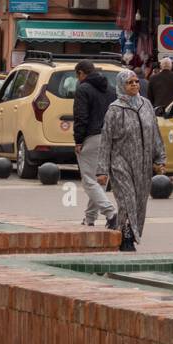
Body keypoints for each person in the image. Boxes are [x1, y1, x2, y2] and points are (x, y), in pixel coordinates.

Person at [96, 69, 164, 251]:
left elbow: (155, 133)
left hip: (143, 164)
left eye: (136, 81)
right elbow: (106, 140)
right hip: (120, 164)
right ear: (121, 86)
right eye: (129, 82)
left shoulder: (146, 105)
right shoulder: (115, 110)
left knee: (141, 202)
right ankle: (125, 236)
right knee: (128, 200)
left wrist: (159, 159)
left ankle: (131, 235)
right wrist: (102, 170)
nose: (134, 84)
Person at [73, 60, 118, 229]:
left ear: (81, 73)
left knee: (89, 180)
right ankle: (90, 218)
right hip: (110, 137)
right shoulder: (111, 90)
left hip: (92, 137)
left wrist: (78, 140)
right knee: (99, 180)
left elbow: (81, 116)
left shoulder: (83, 89)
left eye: (77, 76)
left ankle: (111, 213)